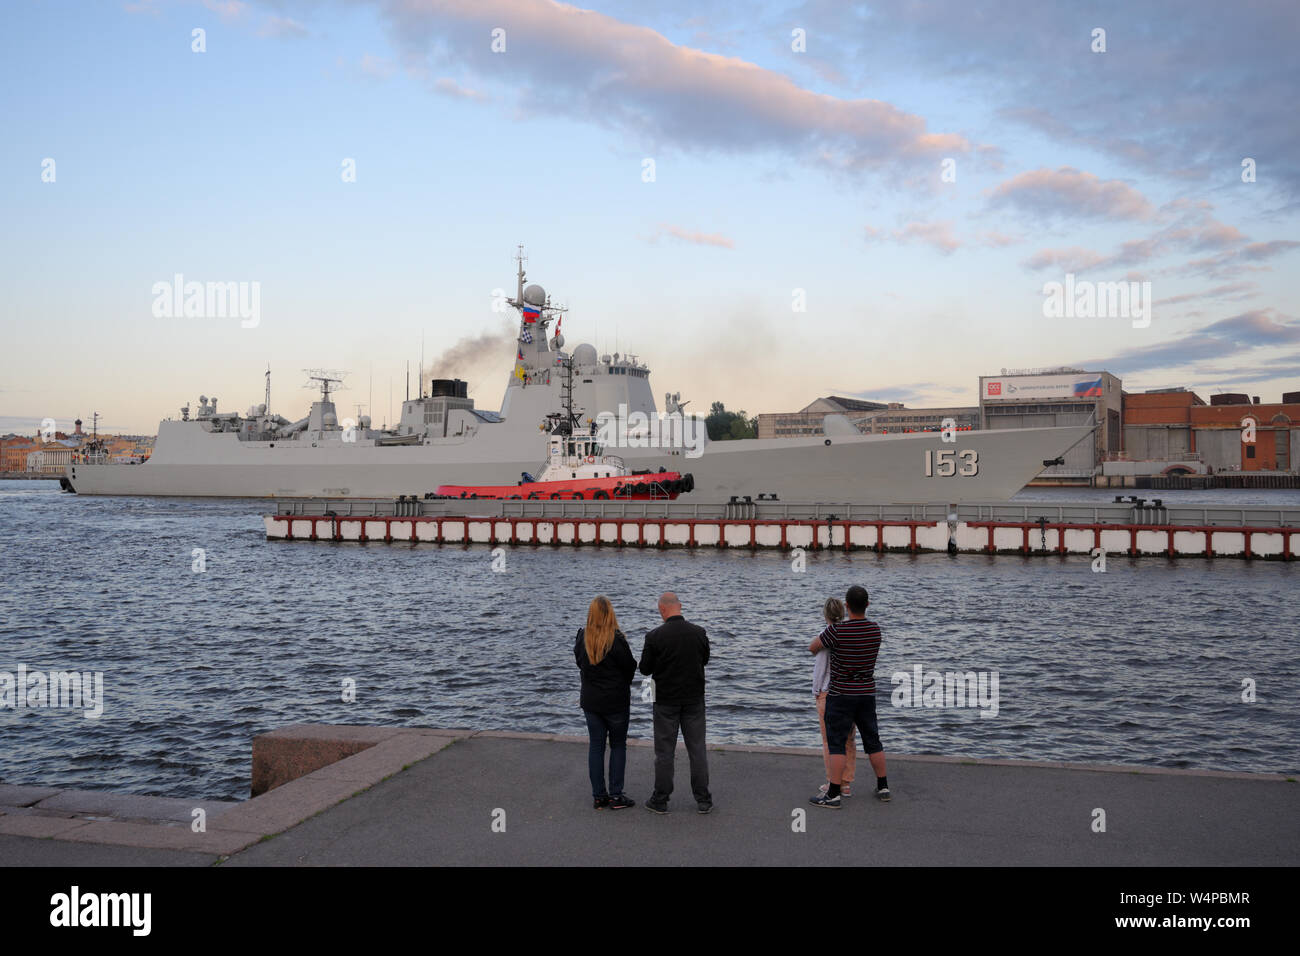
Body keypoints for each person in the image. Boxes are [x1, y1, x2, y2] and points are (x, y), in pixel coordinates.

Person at [808, 584, 889, 808]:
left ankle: (833, 793)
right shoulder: (875, 630)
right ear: (867, 605)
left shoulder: (836, 632)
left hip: (841, 695)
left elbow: (813, 647)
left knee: (836, 744)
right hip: (866, 694)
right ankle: (883, 785)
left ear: (846, 606)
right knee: (872, 740)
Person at [639, 591, 712, 814]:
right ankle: (703, 799)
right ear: (679, 606)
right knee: (697, 749)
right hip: (693, 700)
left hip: (664, 701)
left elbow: (644, 669)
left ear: (662, 609)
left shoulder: (654, 636)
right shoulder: (699, 633)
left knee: (664, 752)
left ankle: (660, 799)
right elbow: (705, 660)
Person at [574, 596, 637, 810]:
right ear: (610, 614)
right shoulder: (616, 640)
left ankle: (599, 796)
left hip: (591, 701)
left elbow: (579, 663)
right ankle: (616, 796)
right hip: (616, 701)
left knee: (596, 746)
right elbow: (630, 666)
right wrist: (622, 684)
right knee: (618, 745)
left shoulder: (582, 637)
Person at [813, 597, 856, 797]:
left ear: (825, 614)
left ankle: (833, 782)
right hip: (850, 691)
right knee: (848, 738)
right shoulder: (850, 633)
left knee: (829, 741)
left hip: (829, 692)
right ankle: (846, 783)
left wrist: (816, 691)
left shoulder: (825, 635)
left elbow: (820, 668)